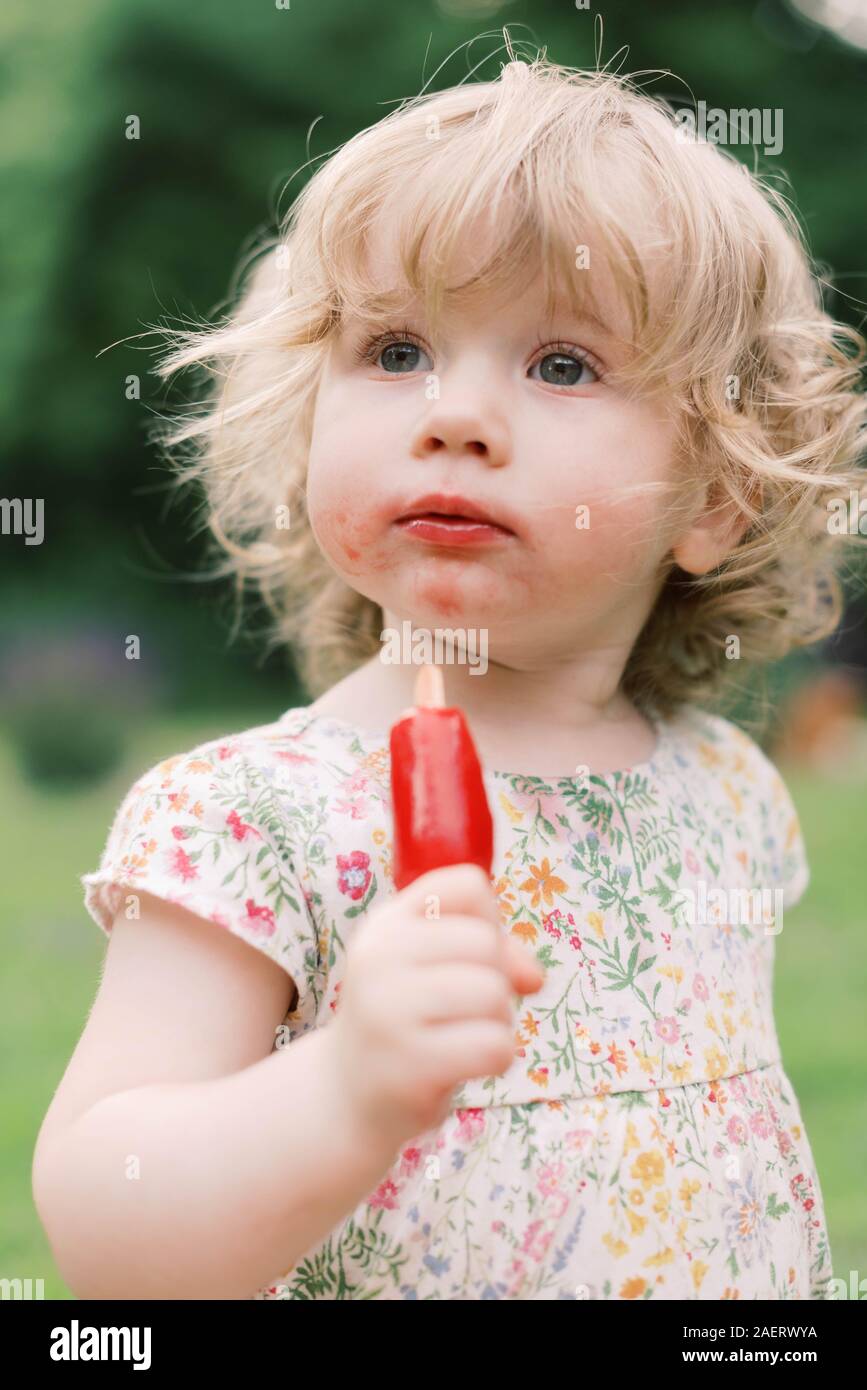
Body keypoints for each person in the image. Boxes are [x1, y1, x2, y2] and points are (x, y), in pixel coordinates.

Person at [33, 50, 865, 1300]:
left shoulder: (728, 793)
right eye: (396, 348)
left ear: (719, 498)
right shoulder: (252, 823)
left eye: (565, 363)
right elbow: (109, 1229)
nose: (454, 414)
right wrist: (344, 1087)